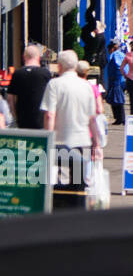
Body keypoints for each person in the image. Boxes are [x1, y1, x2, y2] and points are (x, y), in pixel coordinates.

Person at [41, 50, 98, 200]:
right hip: (82, 141)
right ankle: (77, 215)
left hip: (59, 141)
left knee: (53, 183)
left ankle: (57, 211)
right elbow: (92, 119)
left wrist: (48, 138)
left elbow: (49, 115)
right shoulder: (86, 86)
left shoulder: (54, 85)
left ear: (59, 66)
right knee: (78, 185)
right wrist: (96, 144)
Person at [6, 44, 52, 131]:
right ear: (39, 57)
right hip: (41, 121)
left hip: (22, 121)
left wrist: (15, 116)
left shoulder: (17, 74)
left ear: (24, 57)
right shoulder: (45, 74)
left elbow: (10, 98)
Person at [103, 39, 127, 124]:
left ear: (113, 48)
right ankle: (118, 118)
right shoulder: (121, 54)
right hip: (119, 80)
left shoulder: (116, 55)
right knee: (115, 99)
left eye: (109, 48)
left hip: (117, 80)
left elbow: (118, 66)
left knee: (117, 100)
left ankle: (121, 118)